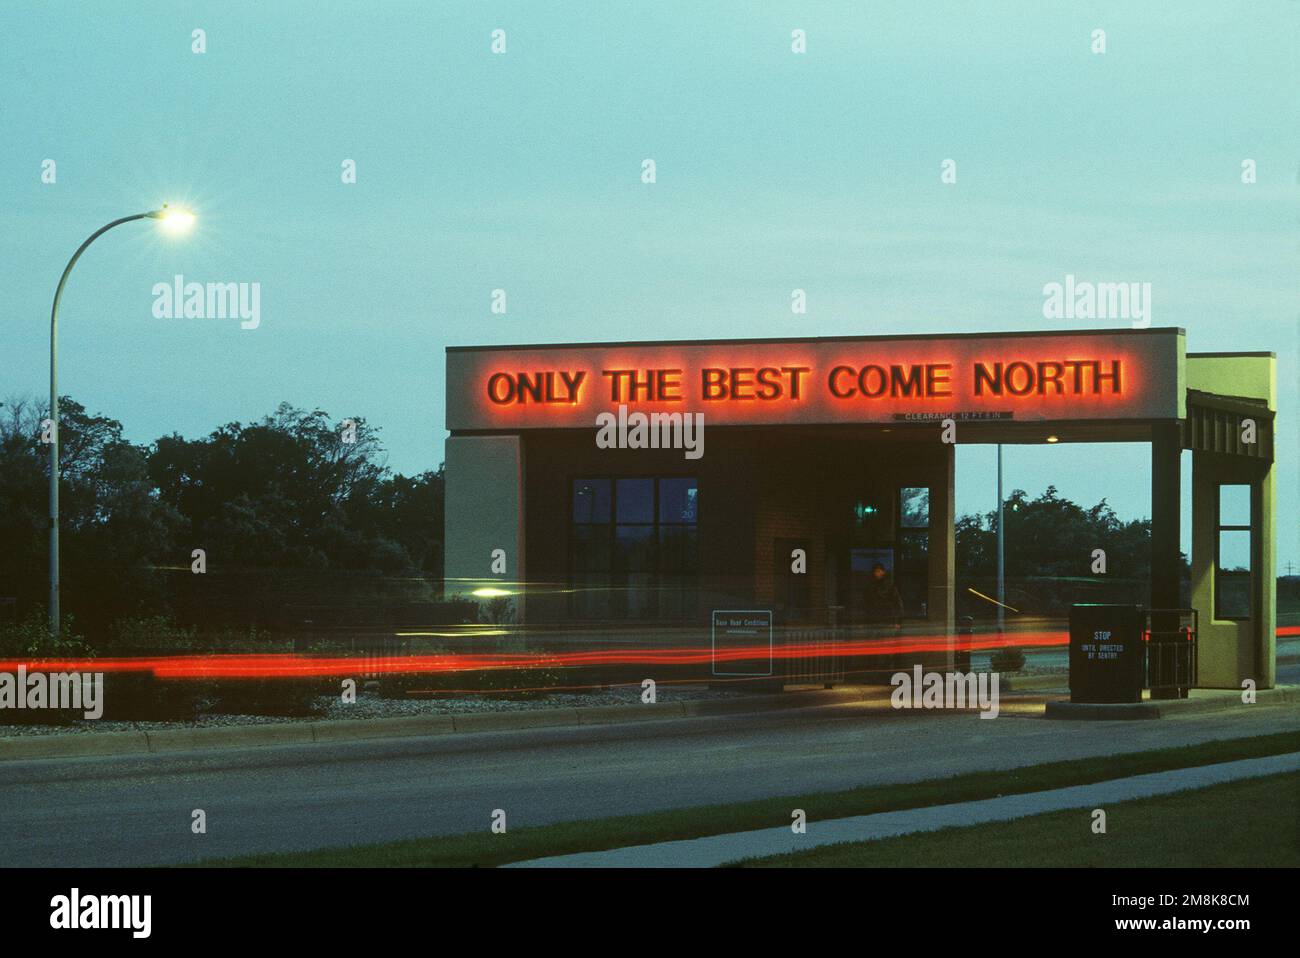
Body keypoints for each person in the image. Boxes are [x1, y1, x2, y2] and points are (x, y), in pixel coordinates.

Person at [863, 562, 904, 630]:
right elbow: (865, 603)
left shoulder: (890, 585)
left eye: (879, 571)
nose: (877, 573)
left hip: (888, 619)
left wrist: (898, 621)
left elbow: (898, 603)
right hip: (874, 620)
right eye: (876, 571)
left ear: (883, 572)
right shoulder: (869, 587)